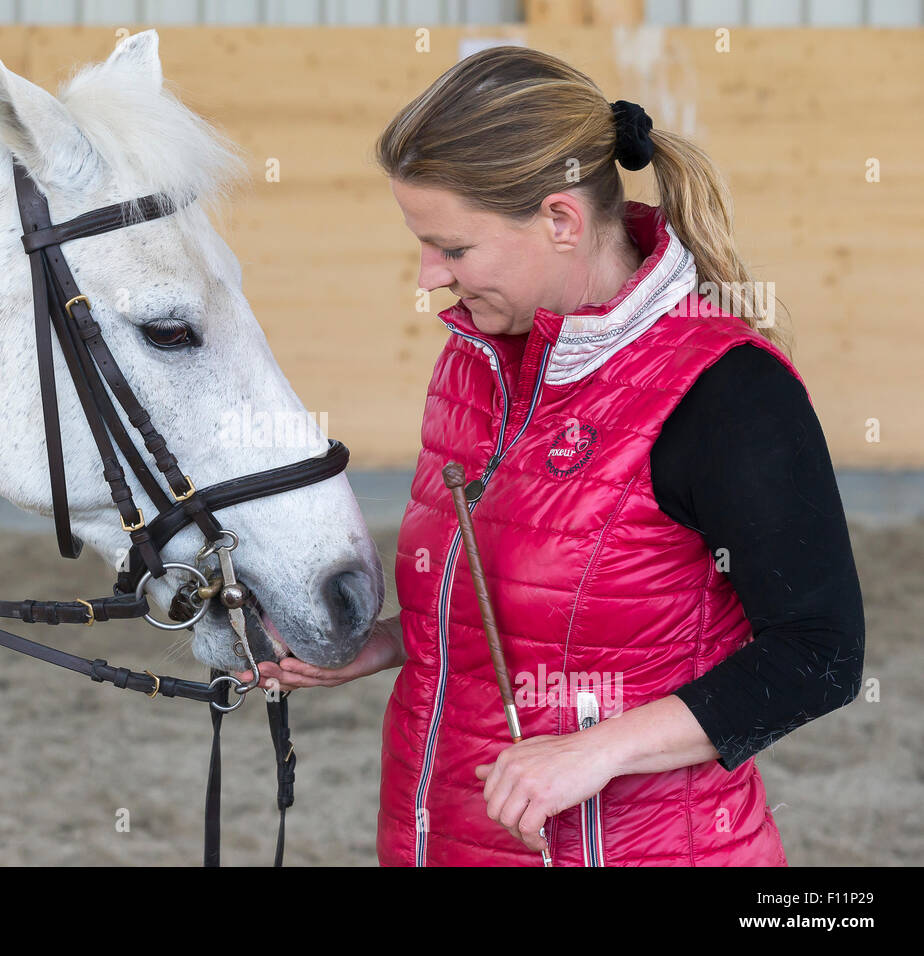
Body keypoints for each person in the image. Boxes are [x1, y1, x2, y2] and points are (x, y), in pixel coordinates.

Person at [238, 46, 864, 866]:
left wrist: (598, 749)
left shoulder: (728, 393)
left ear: (562, 221)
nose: (429, 277)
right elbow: (528, 615)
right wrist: (390, 643)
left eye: (452, 248)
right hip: (437, 840)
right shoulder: (474, 361)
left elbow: (819, 657)